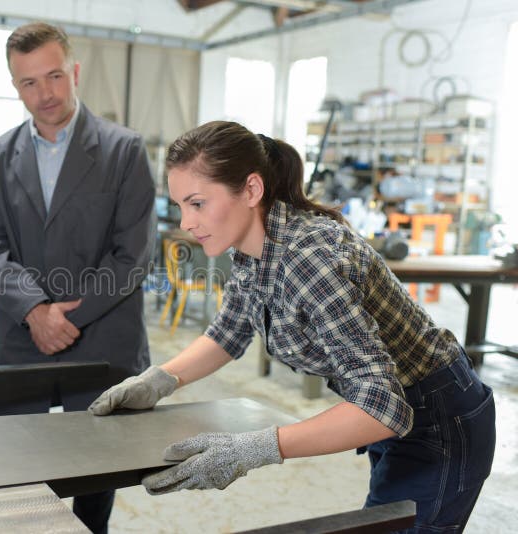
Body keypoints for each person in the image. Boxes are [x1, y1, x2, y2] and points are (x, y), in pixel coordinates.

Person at [89, 121, 496, 532]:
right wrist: (159, 379)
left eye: (197, 204)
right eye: (180, 206)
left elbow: (381, 408)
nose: (186, 222)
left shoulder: (307, 258)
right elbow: (228, 334)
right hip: (397, 411)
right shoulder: (252, 251)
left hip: (441, 418)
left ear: (251, 190)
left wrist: (255, 448)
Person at [0, 22, 155, 534]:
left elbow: (133, 254)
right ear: (14, 86)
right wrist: (33, 310)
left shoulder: (123, 150)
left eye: (53, 76)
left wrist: (66, 317)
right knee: (12, 467)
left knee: (95, 478)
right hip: (20, 334)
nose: (44, 93)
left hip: (100, 334)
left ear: (74, 71)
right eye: (28, 82)